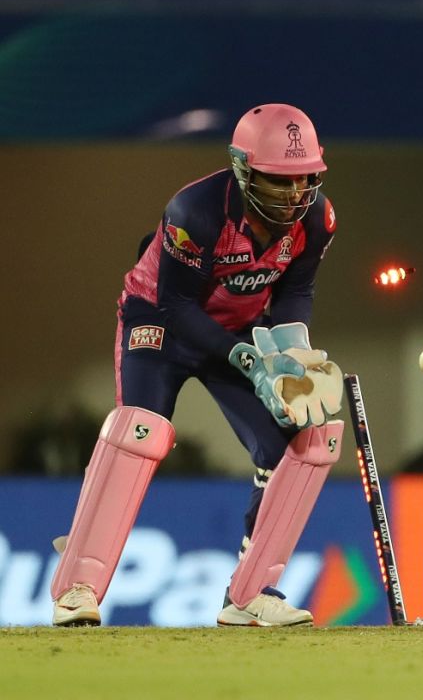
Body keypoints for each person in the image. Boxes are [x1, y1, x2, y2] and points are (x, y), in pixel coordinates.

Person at [50, 104, 344, 627]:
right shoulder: (196, 211)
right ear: (242, 169)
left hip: (238, 331)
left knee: (298, 446)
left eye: (304, 180)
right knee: (140, 431)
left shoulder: (317, 219)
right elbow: (177, 305)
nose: (294, 196)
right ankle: (78, 587)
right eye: (279, 182)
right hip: (162, 321)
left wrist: (293, 354)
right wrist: (246, 357)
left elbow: (296, 290)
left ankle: (251, 594)